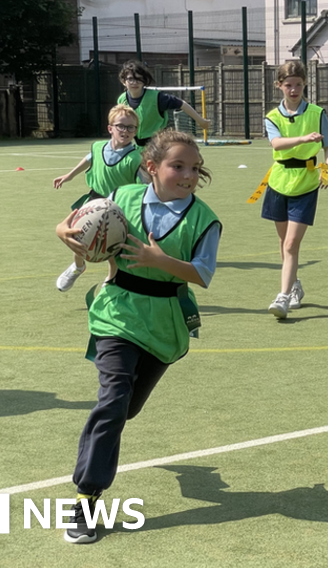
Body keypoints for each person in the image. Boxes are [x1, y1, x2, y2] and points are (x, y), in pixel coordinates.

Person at [54, 129, 222, 544]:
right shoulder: (122, 199)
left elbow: (201, 275)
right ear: (152, 167)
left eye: (194, 168)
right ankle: (85, 500)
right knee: (111, 402)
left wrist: (158, 259)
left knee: (126, 409)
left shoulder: (205, 219)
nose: (187, 175)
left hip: (165, 321)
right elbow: (69, 221)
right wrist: (64, 233)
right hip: (117, 311)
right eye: (177, 166)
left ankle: (106, 456)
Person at [258, 60, 328, 319]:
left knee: (292, 243)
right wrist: (304, 138)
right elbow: (277, 144)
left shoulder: (316, 112)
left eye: (299, 85)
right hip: (279, 183)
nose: (294, 90)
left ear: (305, 85)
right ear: (279, 86)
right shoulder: (272, 117)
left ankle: (282, 297)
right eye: (288, 85)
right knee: (283, 242)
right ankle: (294, 286)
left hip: (306, 184)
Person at [52, 104, 148, 292]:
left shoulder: (136, 158)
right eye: (121, 126)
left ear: (136, 131)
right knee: (76, 235)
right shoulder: (98, 147)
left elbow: (144, 186)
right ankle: (78, 266)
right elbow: (89, 158)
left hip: (119, 206)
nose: (126, 131)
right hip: (95, 201)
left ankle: (110, 284)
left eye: (131, 127)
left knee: (112, 250)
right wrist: (69, 175)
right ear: (110, 128)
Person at [117, 60, 211, 147]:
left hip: (158, 146)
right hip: (136, 146)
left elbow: (182, 104)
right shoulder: (122, 100)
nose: (134, 82)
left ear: (144, 81)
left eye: (139, 79)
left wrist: (201, 121)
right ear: (123, 81)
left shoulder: (158, 98)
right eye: (130, 79)